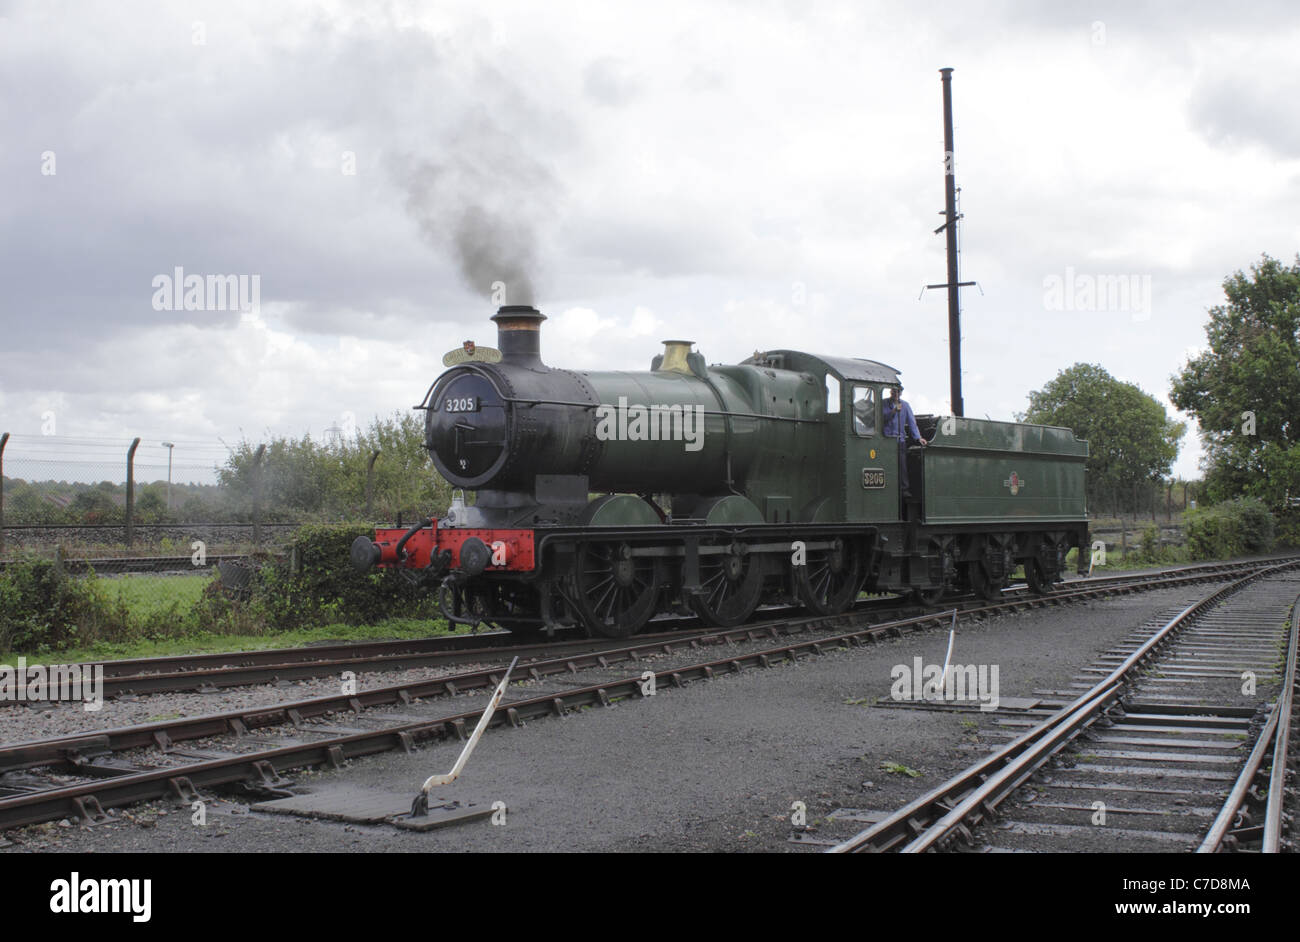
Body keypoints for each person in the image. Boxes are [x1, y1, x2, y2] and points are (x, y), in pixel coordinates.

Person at [882, 385, 928, 499]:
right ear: (890, 392)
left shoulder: (906, 406)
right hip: (885, 439)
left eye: (897, 392)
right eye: (893, 391)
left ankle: (904, 489)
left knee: (902, 465)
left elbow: (912, 423)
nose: (895, 394)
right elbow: (882, 418)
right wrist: (893, 411)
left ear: (900, 393)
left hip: (899, 440)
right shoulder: (883, 403)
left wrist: (918, 438)